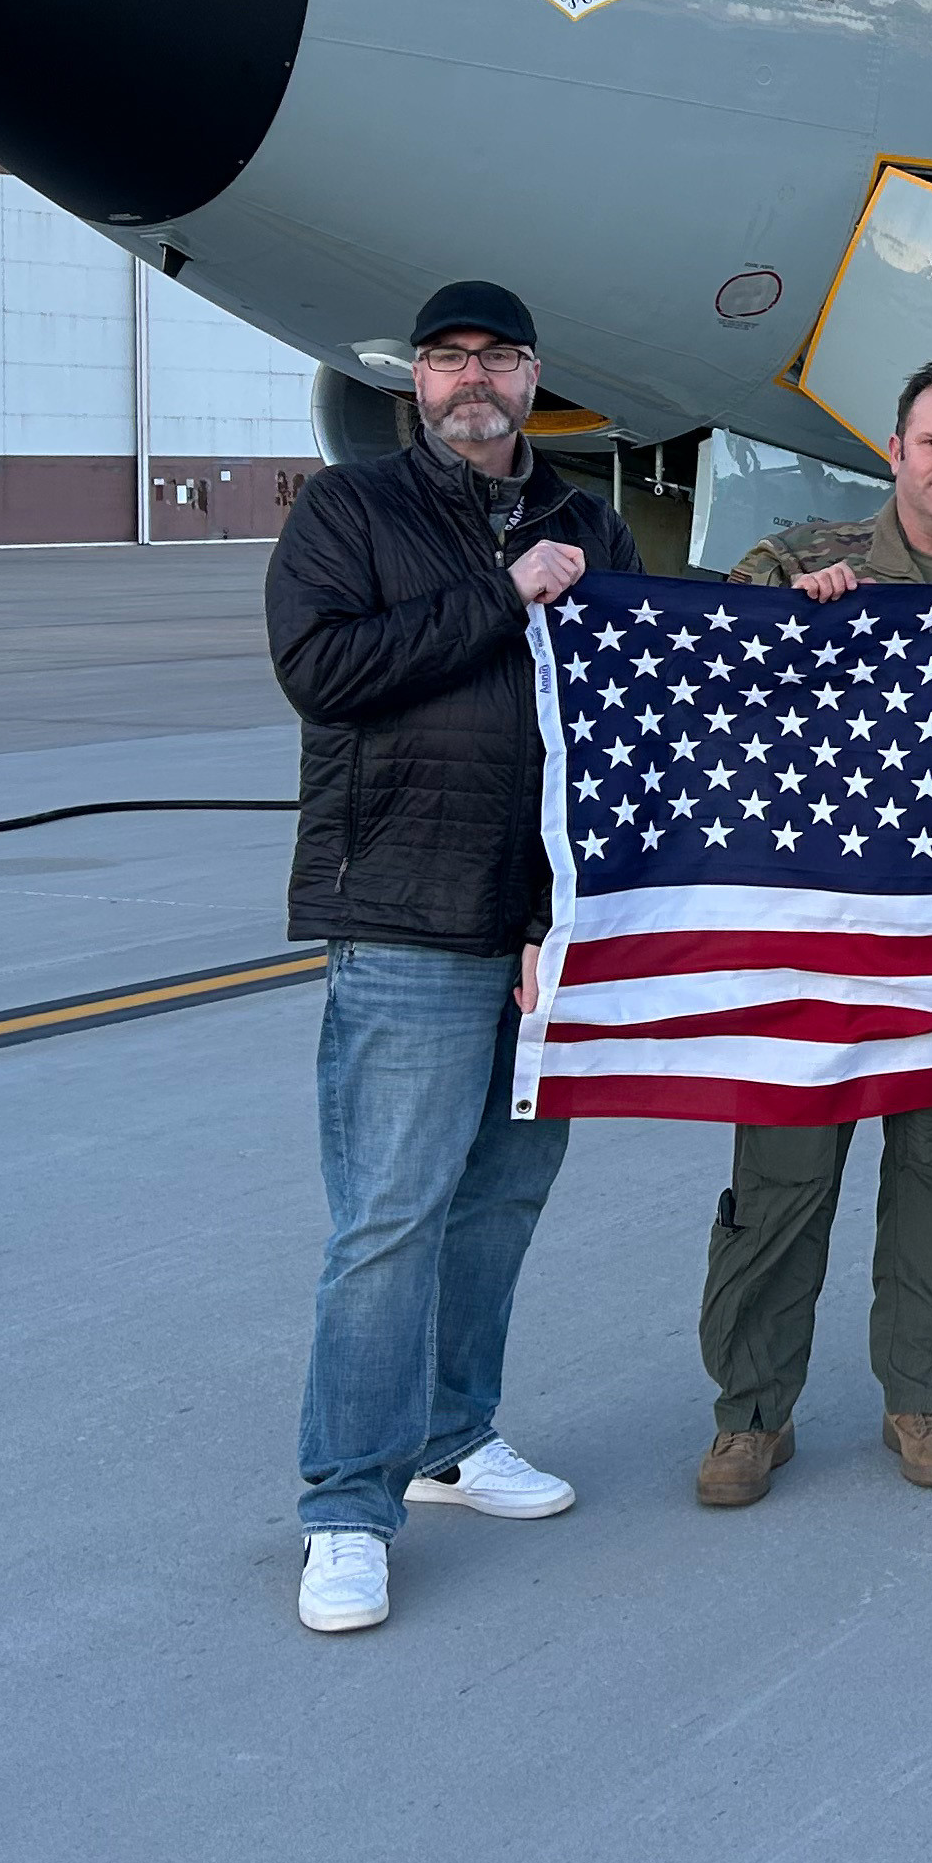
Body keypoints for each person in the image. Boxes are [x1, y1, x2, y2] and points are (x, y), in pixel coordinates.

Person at [265, 280, 637, 1635]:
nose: (472, 379)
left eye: (497, 357)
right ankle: (345, 1508)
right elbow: (327, 672)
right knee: (390, 1218)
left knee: (499, 1202)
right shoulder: (348, 513)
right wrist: (501, 590)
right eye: (447, 359)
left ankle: (452, 1440)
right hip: (406, 916)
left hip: (540, 929)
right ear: (413, 381)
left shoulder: (587, 520)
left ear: (537, 373)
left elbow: (633, 705)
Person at [693, 359, 932, 1507]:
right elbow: (711, 681)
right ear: (898, 455)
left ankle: (925, 1393)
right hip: (817, 937)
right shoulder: (803, 565)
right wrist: (789, 628)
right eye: (930, 443)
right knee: (781, 1179)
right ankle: (750, 1415)